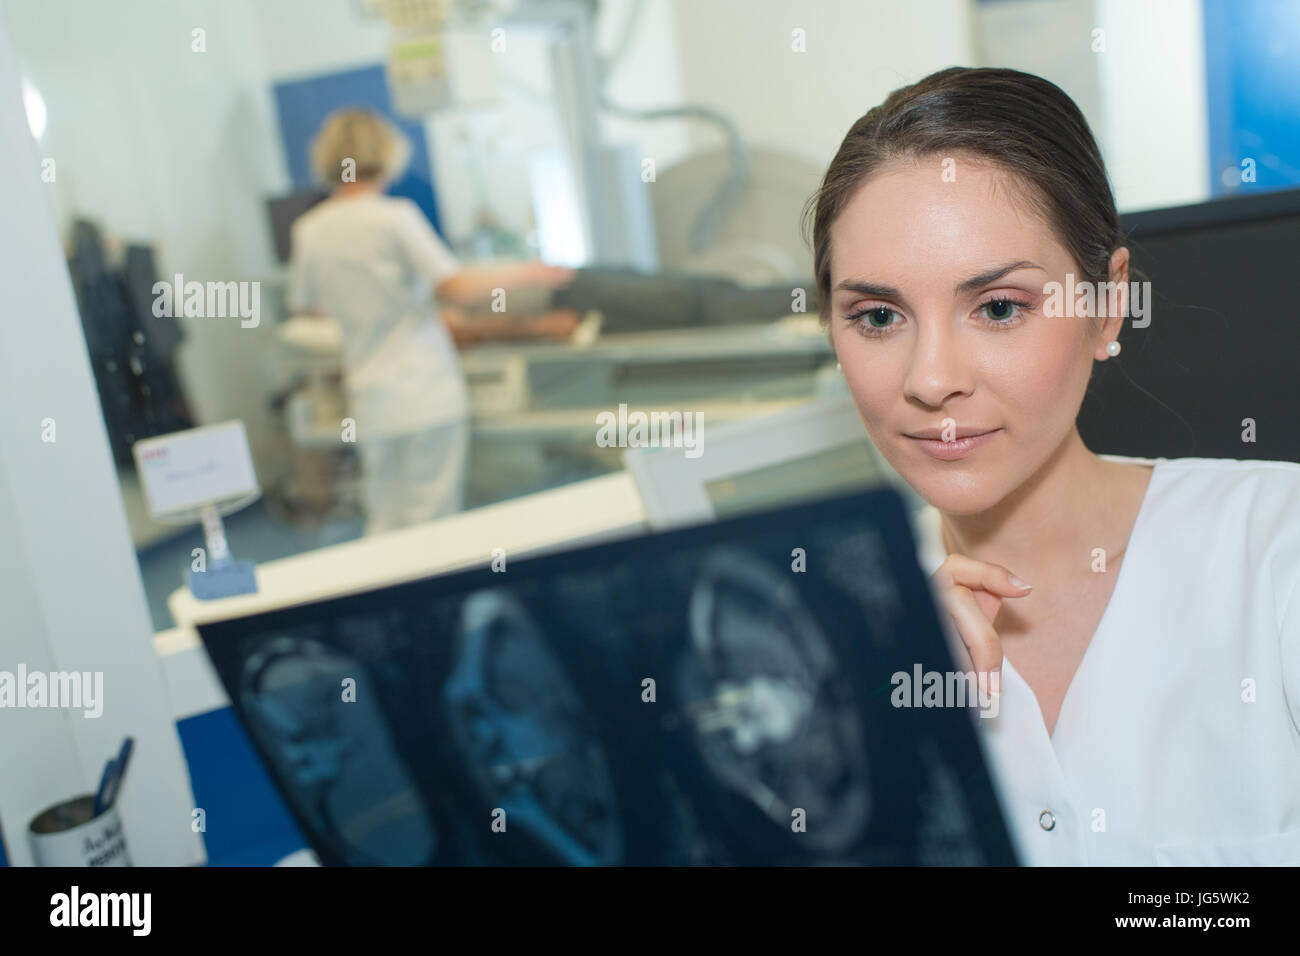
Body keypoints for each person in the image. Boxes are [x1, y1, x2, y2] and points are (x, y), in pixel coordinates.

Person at [805, 67, 1300, 865]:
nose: (931, 379)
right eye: (878, 317)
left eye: (1000, 307)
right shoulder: (829, 654)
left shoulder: (1278, 556)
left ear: (1107, 305)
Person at [288, 108, 577, 535]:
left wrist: (371, 308)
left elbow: (310, 306)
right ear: (384, 155)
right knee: (434, 521)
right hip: (424, 392)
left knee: (384, 517)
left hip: (371, 398)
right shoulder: (394, 217)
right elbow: (457, 286)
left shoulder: (310, 230)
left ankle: (389, 598)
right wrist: (533, 272)